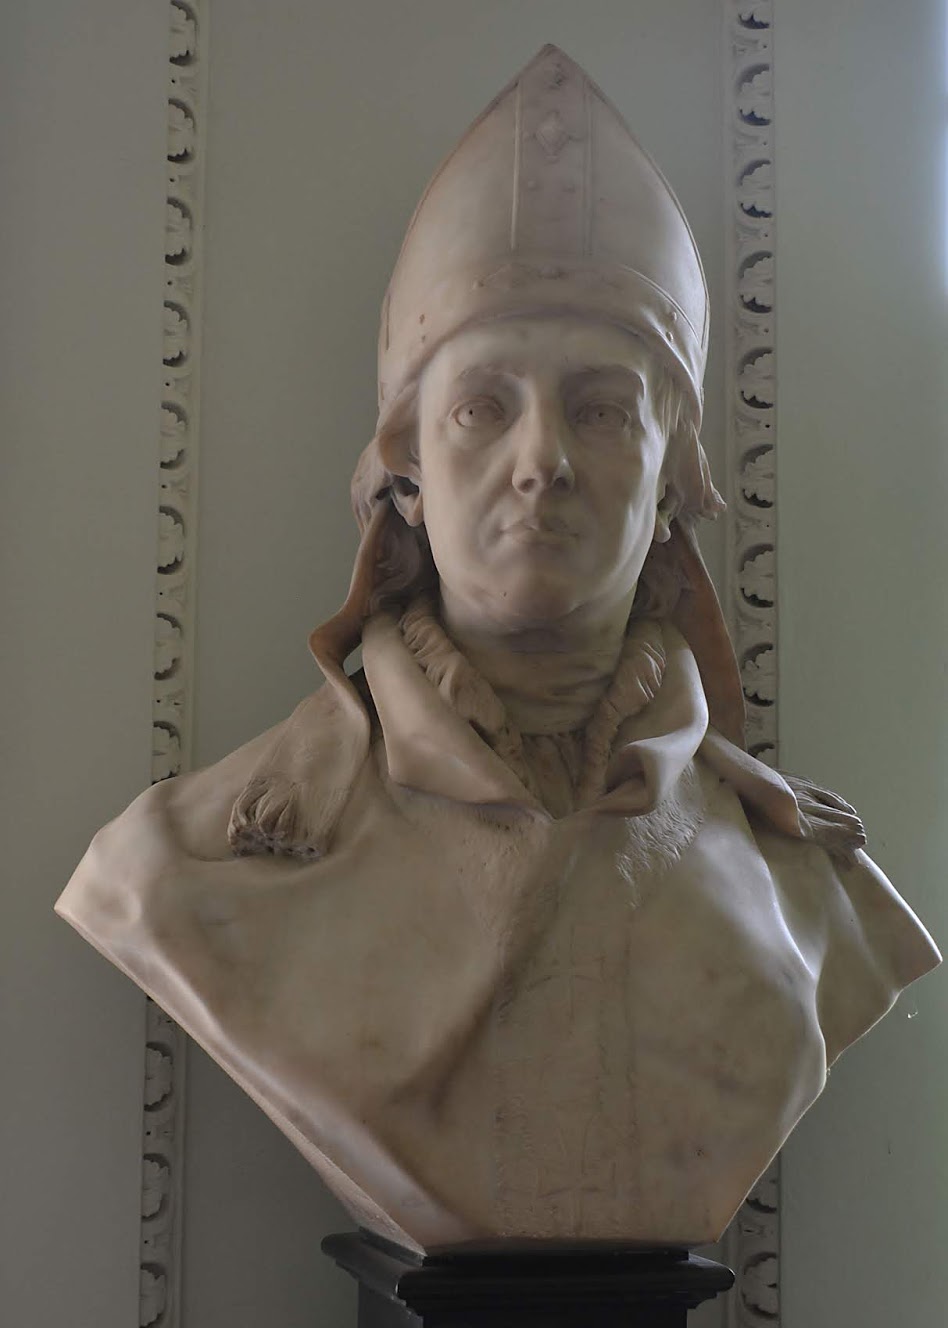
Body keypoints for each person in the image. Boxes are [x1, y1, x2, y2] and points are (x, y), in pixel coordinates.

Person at [57, 46, 939, 1253]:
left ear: (676, 486)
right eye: (483, 406)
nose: (543, 461)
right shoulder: (184, 873)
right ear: (406, 474)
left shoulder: (815, 899)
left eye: (601, 408)